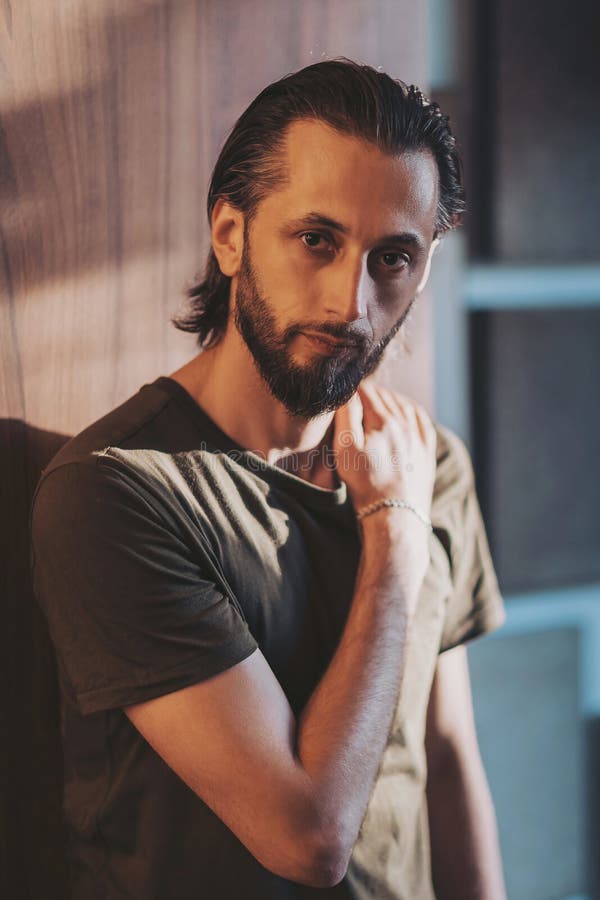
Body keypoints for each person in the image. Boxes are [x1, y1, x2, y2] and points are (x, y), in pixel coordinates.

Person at [30, 58, 507, 899]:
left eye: (392, 258)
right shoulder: (114, 495)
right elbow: (306, 838)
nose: (351, 304)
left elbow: (442, 754)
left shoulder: (433, 464)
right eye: (316, 240)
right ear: (230, 235)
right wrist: (393, 535)